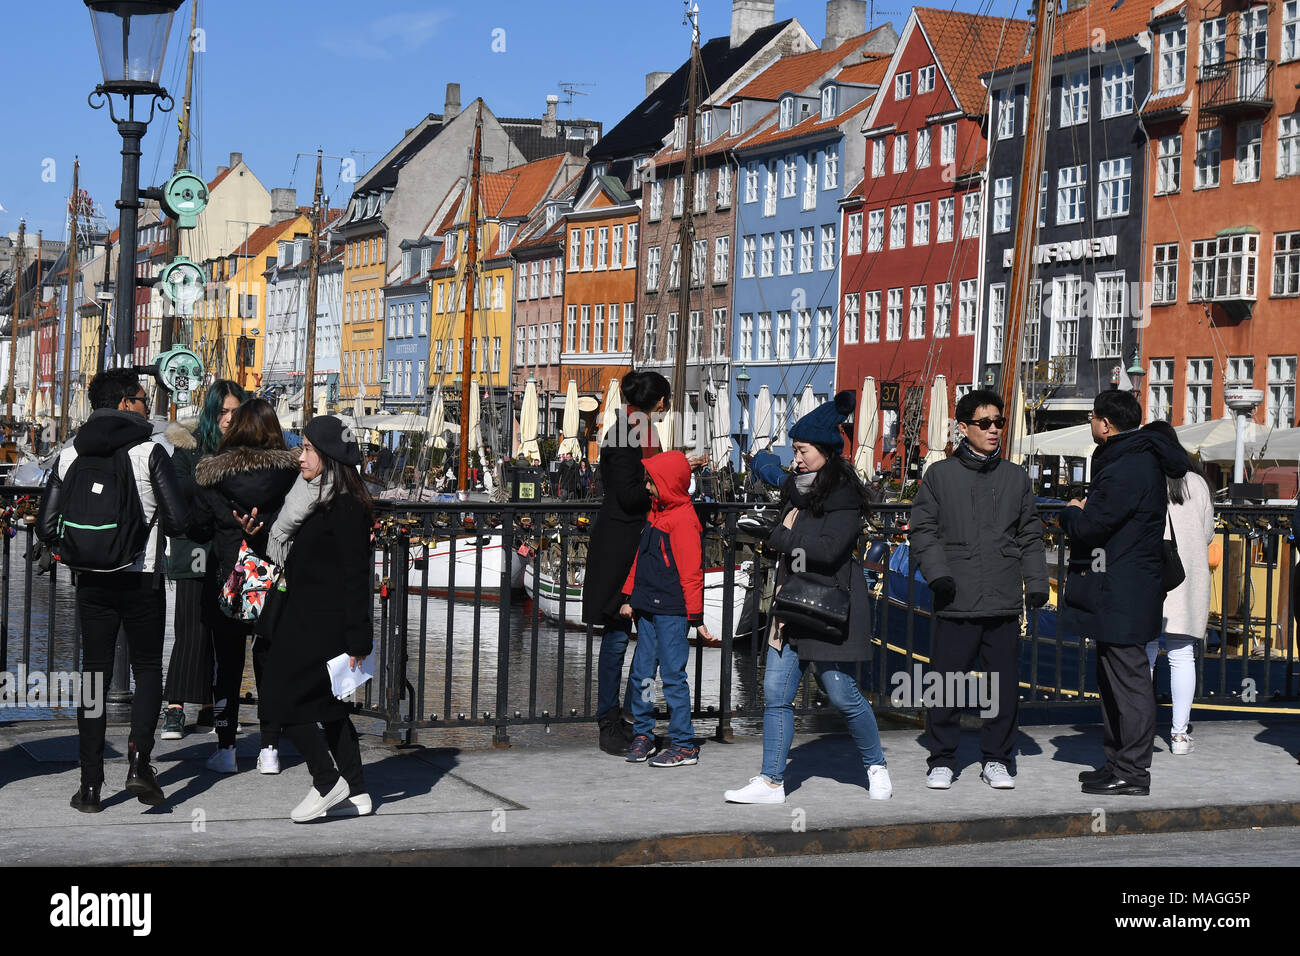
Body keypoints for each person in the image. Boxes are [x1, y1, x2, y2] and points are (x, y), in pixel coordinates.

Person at [724, 392, 892, 804]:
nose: (795, 459)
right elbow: (791, 533)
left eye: (801, 450)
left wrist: (775, 536)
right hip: (791, 606)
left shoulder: (844, 496)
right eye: (794, 450)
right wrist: (770, 537)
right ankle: (771, 781)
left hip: (828, 607)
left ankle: (876, 765)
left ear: (825, 452)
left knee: (841, 694)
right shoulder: (797, 489)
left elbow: (829, 550)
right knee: (776, 695)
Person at [36, 369, 191, 812]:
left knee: (93, 675)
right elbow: (178, 522)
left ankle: (89, 787)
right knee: (146, 670)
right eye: (143, 399)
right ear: (125, 402)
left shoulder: (70, 453)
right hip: (141, 576)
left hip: (90, 579)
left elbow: (47, 526)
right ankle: (140, 763)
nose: (148, 406)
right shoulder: (150, 451)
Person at [908, 388, 1048, 790]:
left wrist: (1036, 584)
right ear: (963, 427)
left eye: (999, 423)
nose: (993, 430)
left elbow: (1030, 536)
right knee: (946, 683)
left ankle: (997, 759)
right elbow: (923, 530)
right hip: (955, 596)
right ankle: (942, 758)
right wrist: (937, 575)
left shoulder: (1016, 478)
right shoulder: (939, 475)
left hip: (1003, 598)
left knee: (1002, 687)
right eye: (984, 423)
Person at [1061, 390, 1188, 796]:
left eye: (1092, 417)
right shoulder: (1138, 459)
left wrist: (1072, 511)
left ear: (1106, 424)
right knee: (1115, 678)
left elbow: (1090, 529)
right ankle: (1116, 762)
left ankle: (1131, 772)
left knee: (1128, 682)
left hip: (1123, 589)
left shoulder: (1125, 468)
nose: (1090, 423)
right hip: (1126, 586)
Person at [259, 415, 374, 821]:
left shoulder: (344, 507)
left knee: (279, 697)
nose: (301, 456)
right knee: (329, 705)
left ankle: (327, 780)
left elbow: (357, 575)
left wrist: (359, 639)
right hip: (303, 616)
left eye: (307, 449)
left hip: (322, 624)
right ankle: (357, 789)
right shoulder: (310, 495)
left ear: (328, 456)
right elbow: (295, 550)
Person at [189, 399, 300, 775]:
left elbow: (197, 525)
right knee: (270, 662)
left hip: (229, 578)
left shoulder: (213, 475)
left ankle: (226, 750)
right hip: (276, 578)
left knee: (228, 665)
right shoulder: (291, 475)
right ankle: (269, 747)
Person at [582, 370, 672, 756]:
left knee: (631, 634)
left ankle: (631, 717)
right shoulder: (629, 433)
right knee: (619, 636)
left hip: (631, 543)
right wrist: (669, 478)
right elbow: (630, 495)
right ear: (661, 402)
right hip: (622, 547)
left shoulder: (631, 429)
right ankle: (609, 720)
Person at [160, 380, 245, 741]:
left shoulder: (246, 449)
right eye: (223, 412)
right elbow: (180, 492)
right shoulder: (189, 448)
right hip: (195, 544)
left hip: (230, 550)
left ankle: (214, 707)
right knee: (191, 625)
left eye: (235, 412)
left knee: (224, 629)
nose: (229, 419)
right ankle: (175, 707)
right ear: (211, 413)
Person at [619, 451, 715, 766]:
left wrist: (696, 617)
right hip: (647, 607)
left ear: (668, 484)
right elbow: (639, 558)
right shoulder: (657, 514)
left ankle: (684, 743)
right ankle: (644, 735)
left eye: (651, 481)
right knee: (643, 675)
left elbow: (691, 573)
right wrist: (630, 595)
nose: (647, 487)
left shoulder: (684, 520)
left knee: (673, 677)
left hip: (672, 611)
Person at [1141, 421, 1214, 757]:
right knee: (1183, 656)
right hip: (1189, 575)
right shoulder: (1197, 482)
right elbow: (1208, 532)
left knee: (1146, 653)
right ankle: (1179, 735)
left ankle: (1138, 732)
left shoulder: (1145, 476)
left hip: (1152, 573)